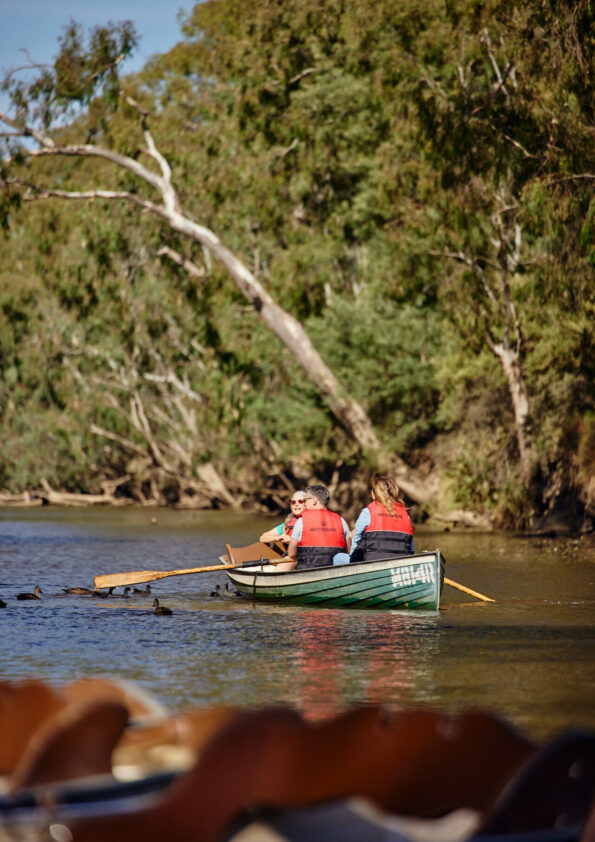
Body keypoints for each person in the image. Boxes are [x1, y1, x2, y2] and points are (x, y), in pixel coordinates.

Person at [350, 475, 414, 562]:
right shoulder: (406, 515)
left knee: (339, 557)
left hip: (373, 563)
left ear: (373, 493)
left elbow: (355, 540)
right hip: (400, 565)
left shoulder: (367, 512)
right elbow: (411, 547)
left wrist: (352, 562)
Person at [286, 484, 351, 569]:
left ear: (314, 500)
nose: (304, 504)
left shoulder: (301, 521)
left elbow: (291, 554)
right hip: (333, 572)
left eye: (305, 500)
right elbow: (348, 552)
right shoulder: (341, 521)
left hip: (307, 572)